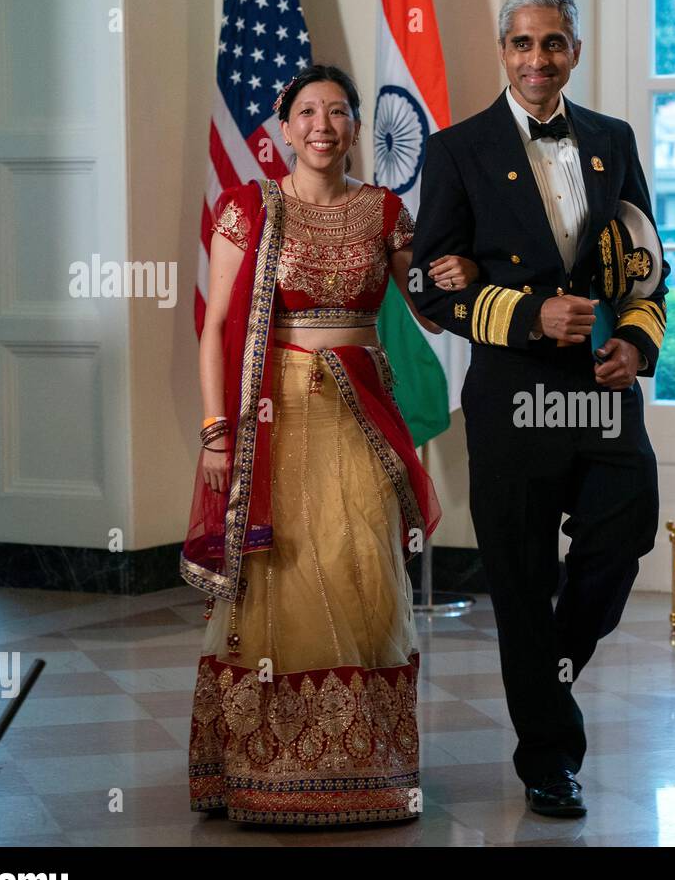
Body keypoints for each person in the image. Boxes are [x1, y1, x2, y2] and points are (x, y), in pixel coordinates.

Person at [180, 65, 474, 826]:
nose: (323, 124)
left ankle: (365, 768)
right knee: (283, 573)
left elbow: (434, 314)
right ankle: (265, 771)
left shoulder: (385, 212)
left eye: (338, 111)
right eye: (307, 111)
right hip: (275, 416)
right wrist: (217, 433)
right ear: (283, 128)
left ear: (354, 129)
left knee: (365, 563)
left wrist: (460, 272)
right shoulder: (252, 208)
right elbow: (216, 328)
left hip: (362, 412)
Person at [409, 0, 667, 818]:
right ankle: (548, 758)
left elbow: (648, 265)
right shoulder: (457, 151)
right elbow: (427, 284)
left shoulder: (613, 141)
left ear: (575, 53)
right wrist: (526, 312)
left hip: (600, 391)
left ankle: (546, 663)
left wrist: (637, 341)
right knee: (520, 580)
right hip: (514, 397)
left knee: (623, 531)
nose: (537, 59)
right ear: (502, 51)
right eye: (521, 43)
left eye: (553, 43)